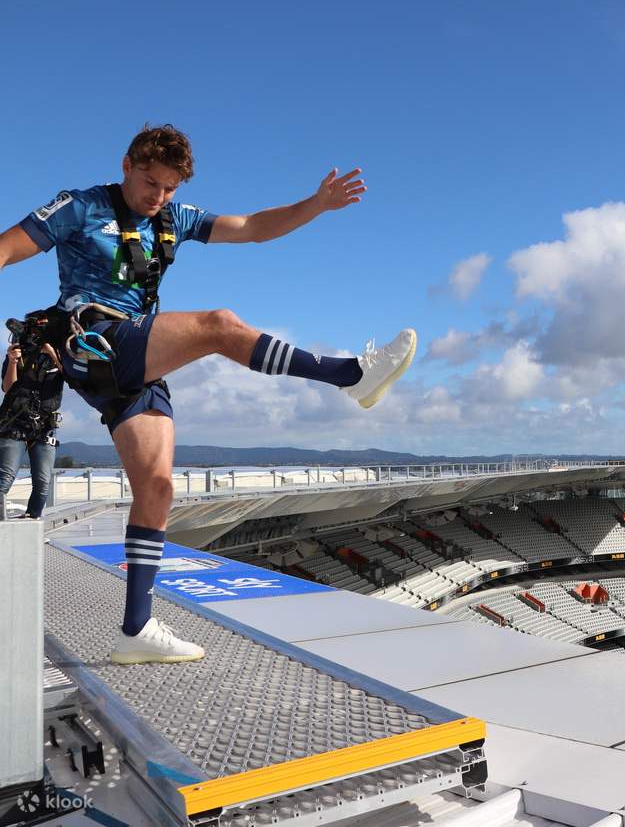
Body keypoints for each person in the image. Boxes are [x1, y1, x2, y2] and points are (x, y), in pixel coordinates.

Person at [0, 124, 416, 664]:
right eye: (150, 182)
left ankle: (135, 630)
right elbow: (7, 249)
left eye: (169, 187)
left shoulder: (174, 218)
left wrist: (316, 204)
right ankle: (349, 375)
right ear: (126, 165)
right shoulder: (80, 206)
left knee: (156, 486)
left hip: (132, 366)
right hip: (94, 338)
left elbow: (251, 228)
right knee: (219, 324)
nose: (158, 197)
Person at [0, 317, 63, 520]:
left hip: (45, 425)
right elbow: (8, 389)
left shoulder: (59, 355)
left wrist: (52, 353)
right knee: (4, 479)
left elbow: (73, 376)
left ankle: (31, 519)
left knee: (43, 483)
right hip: (15, 423)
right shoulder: (18, 353)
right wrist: (12, 362)